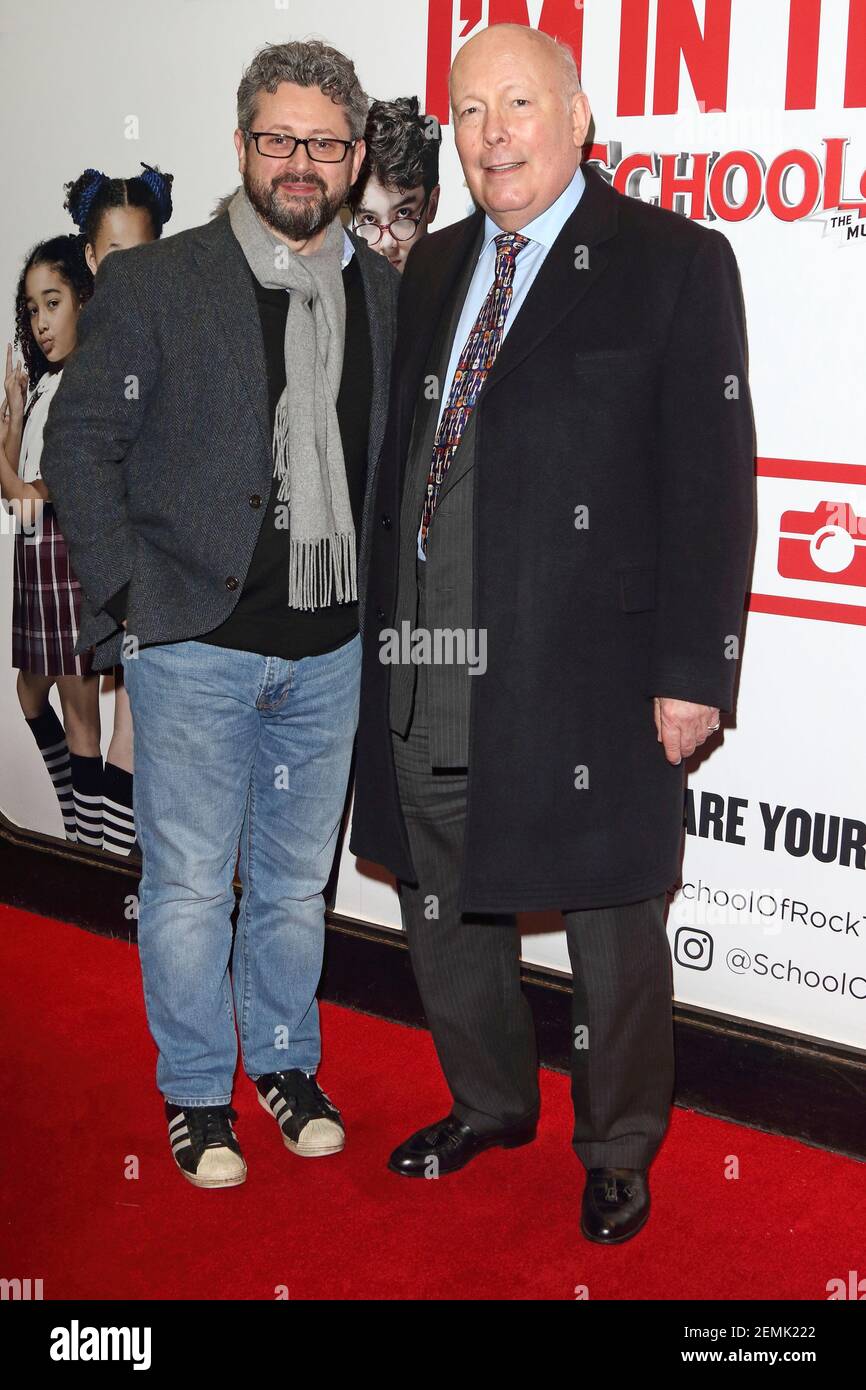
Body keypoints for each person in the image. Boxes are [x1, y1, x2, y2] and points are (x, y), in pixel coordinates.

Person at [349, 22, 755, 1243]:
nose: (490, 135)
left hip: (587, 663)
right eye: (469, 113)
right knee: (437, 889)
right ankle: (487, 1101)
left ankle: (618, 1143)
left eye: (516, 105)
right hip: (430, 651)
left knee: (607, 916)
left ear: (577, 116)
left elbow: (709, 481)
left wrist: (692, 671)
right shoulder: (432, 266)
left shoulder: (671, 260)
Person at [41, 39, 399, 1189]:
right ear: (242, 143)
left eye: (323, 143)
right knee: (191, 884)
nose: (300, 162)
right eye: (277, 138)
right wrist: (136, 599)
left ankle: (285, 1061)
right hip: (192, 647)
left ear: (352, 160)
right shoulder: (158, 281)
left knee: (295, 884)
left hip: (330, 648)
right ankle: (197, 1089)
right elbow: (79, 446)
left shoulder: (384, 293)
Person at [63, 161, 175, 856]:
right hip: (126, 572)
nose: (130, 271)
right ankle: (112, 885)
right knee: (129, 730)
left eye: (145, 254)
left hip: (162, 570)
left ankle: (118, 882)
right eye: (114, 257)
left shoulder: (168, 333)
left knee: (141, 733)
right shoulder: (97, 346)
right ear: (89, 257)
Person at [1, 237, 98, 846]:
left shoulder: (83, 388)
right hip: (37, 562)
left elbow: (31, 498)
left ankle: (94, 856)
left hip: (69, 565)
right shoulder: (45, 388)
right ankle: (78, 833)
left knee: (82, 716)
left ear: (84, 302)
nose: (40, 322)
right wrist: (11, 417)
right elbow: (16, 500)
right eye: (32, 309)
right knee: (30, 693)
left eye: (53, 302)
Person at [348, 96, 440, 271]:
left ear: (432, 205)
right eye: (369, 219)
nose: (387, 244)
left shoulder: (460, 289)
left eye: (403, 214)